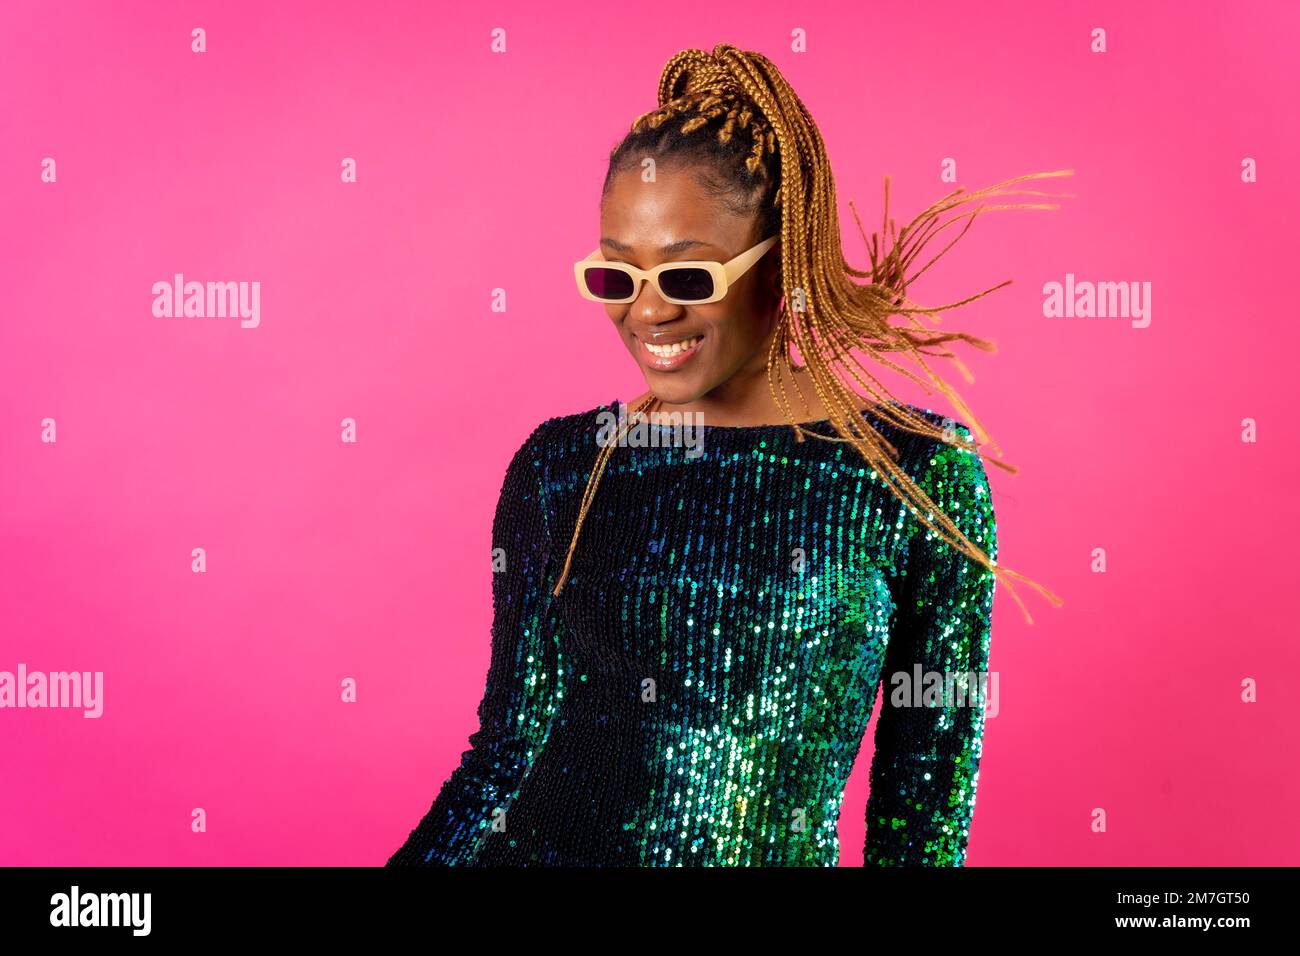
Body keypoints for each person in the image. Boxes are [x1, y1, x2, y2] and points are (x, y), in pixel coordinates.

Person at [387, 43, 1070, 867]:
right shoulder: (562, 467)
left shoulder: (915, 474)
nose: (647, 315)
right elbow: (504, 758)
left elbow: (922, 812)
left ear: (781, 261)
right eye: (616, 278)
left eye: (687, 279)